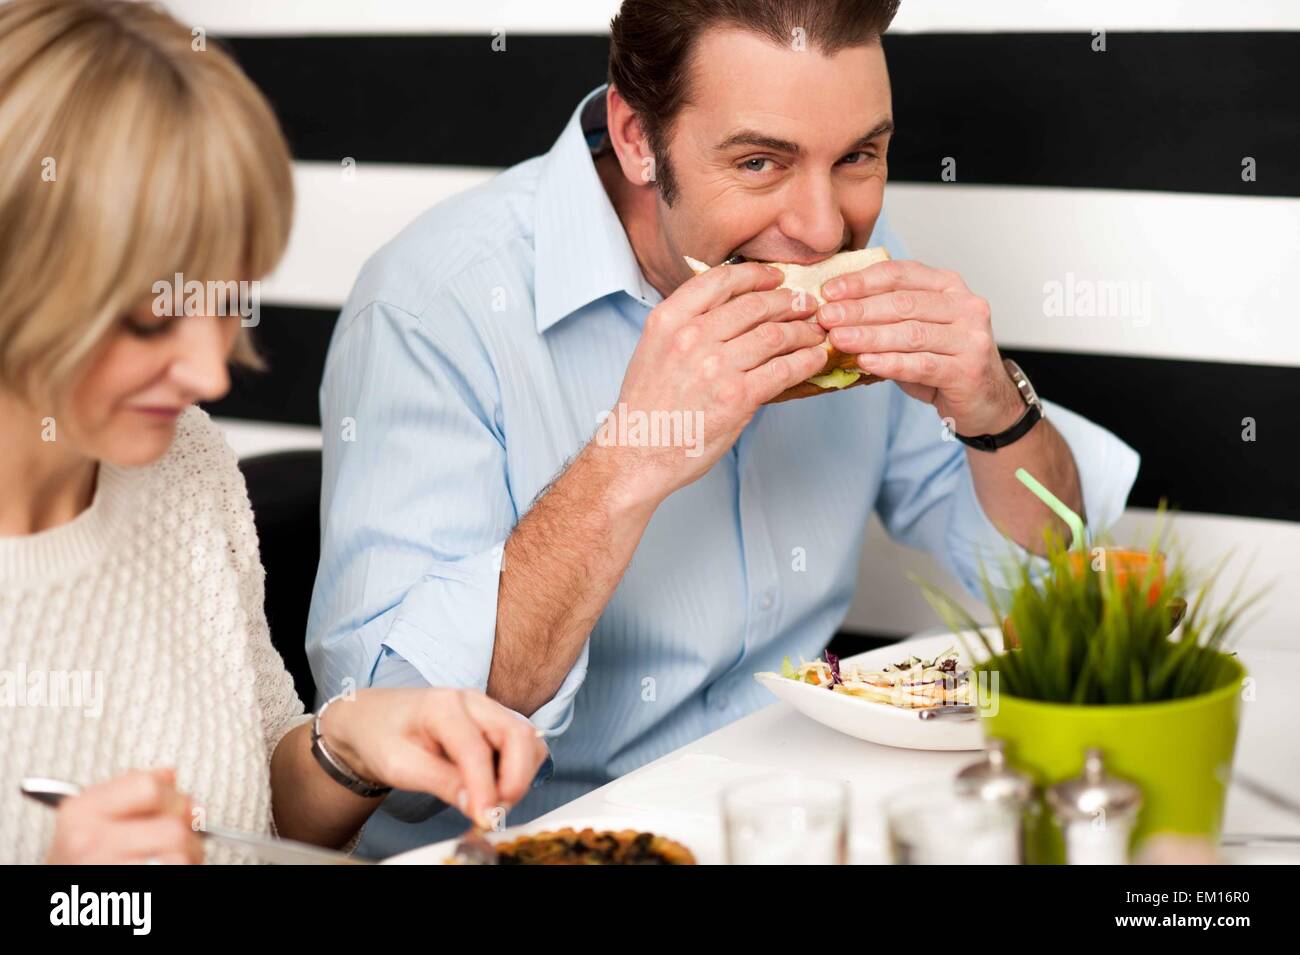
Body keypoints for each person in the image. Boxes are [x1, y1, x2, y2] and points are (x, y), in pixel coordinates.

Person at [308, 0, 1139, 856]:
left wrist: (998, 411)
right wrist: (628, 462)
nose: (822, 228)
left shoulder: (834, 244)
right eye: (758, 161)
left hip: (803, 819)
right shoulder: (432, 306)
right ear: (637, 138)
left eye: (859, 155)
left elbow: (1057, 579)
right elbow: (391, 754)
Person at [0, 0, 547, 864]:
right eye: (151, 319)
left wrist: (353, 746)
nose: (210, 376)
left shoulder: (186, 462)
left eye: (224, 303)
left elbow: (263, 823)